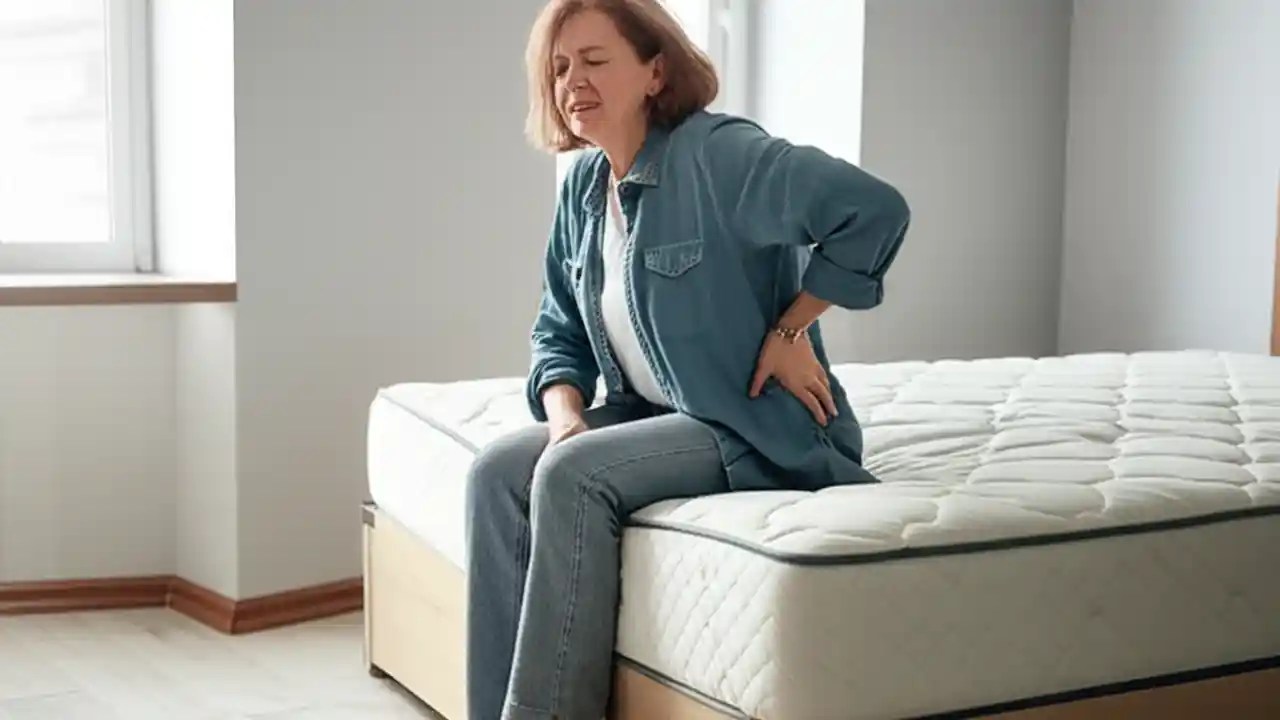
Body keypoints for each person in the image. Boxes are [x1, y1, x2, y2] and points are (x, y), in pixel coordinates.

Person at [464, 1, 910, 717]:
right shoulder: (583, 190)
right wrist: (566, 417)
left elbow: (874, 211)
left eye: (595, 59)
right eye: (558, 67)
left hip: (753, 424)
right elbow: (557, 331)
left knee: (574, 478)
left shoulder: (722, 156)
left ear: (655, 70)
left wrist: (791, 331)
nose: (572, 79)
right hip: (652, 415)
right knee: (496, 472)